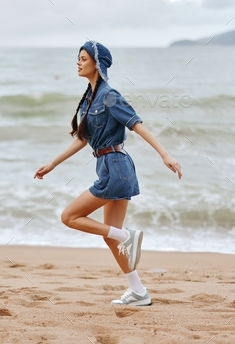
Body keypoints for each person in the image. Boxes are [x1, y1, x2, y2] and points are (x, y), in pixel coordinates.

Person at [33, 40, 182, 306]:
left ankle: (127, 237)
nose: (78, 62)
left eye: (83, 58)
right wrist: (53, 164)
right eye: (77, 58)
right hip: (112, 167)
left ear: (97, 63)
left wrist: (164, 154)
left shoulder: (110, 96)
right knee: (110, 235)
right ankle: (138, 291)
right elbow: (82, 139)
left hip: (116, 168)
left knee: (70, 216)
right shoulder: (89, 100)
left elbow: (136, 124)